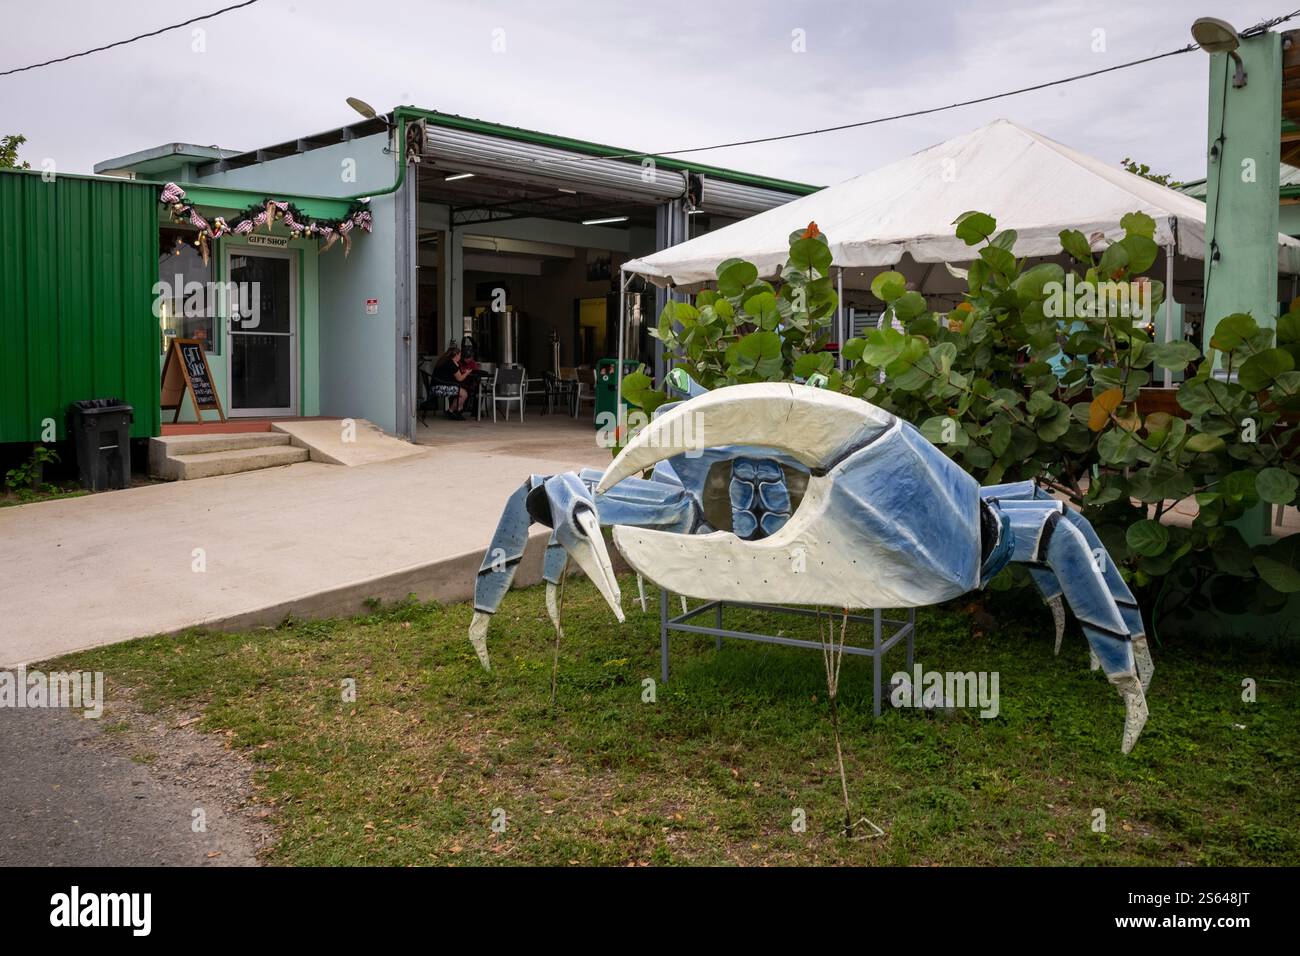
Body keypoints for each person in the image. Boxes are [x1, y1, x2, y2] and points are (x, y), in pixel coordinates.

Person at [432, 346, 472, 420]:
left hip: (436, 386)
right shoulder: (451, 363)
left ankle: (457, 411)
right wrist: (466, 373)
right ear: (456, 355)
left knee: (462, 391)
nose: (460, 357)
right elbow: (460, 379)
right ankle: (451, 411)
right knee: (464, 394)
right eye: (459, 355)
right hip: (440, 387)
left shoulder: (445, 360)